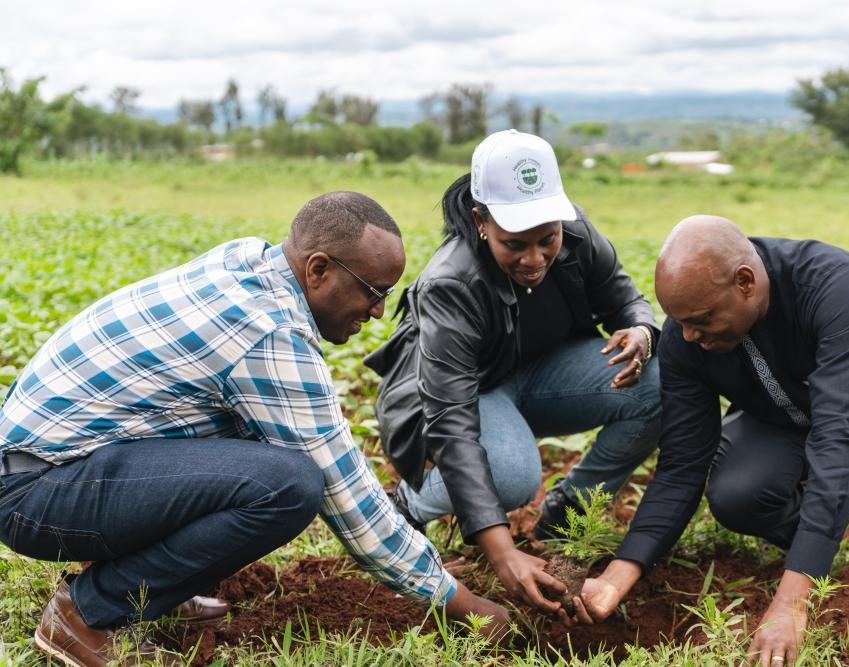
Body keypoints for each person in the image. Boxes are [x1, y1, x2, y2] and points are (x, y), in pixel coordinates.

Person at [0, 192, 507, 667]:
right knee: (290, 485)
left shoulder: (248, 261)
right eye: (374, 293)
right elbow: (345, 494)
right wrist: (458, 600)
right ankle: (86, 612)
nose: (376, 312)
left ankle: (151, 589)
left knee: (258, 443)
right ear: (318, 270)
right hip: (36, 492)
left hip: (55, 464)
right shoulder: (268, 334)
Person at [579, 215, 849, 664]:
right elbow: (682, 464)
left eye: (702, 320)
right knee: (739, 494)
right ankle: (819, 543)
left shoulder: (833, 283)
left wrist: (792, 600)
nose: (688, 336)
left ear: (745, 283)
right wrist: (619, 573)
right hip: (782, 417)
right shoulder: (688, 338)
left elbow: (842, 435)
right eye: (680, 322)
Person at [364, 130, 662, 615]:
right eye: (515, 244)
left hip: (541, 373)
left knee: (657, 382)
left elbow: (625, 298)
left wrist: (641, 331)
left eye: (548, 240)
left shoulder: (576, 232)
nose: (534, 259)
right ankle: (405, 511)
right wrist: (503, 555)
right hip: (467, 395)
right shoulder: (451, 284)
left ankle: (563, 517)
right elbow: (451, 422)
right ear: (482, 221)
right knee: (511, 476)